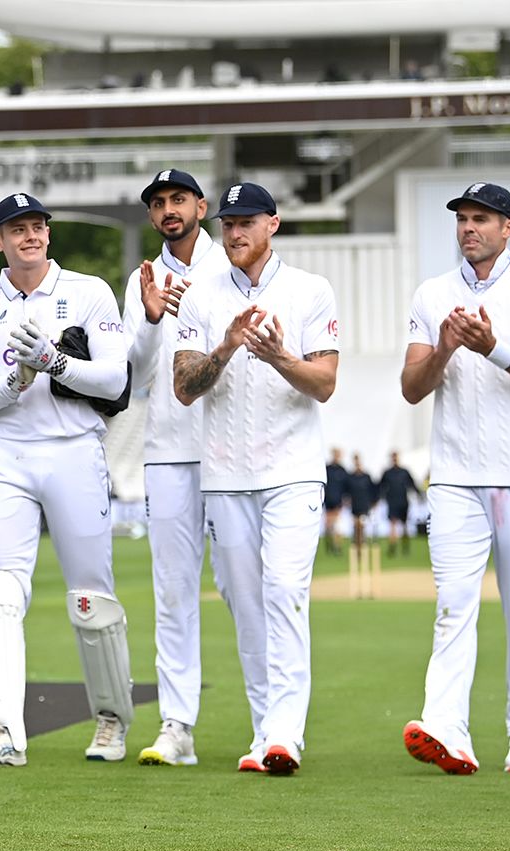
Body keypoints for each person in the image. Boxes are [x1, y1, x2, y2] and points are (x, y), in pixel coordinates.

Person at [0, 192, 133, 767]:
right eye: (17, 229)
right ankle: (2, 732)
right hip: (8, 453)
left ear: (48, 234)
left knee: (91, 598)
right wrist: (16, 379)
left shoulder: (88, 292)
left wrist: (57, 364)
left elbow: (113, 380)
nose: (30, 235)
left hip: (75, 451)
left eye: (37, 226)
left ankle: (111, 721)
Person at [400, 182, 510, 776]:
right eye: (463, 219)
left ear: (508, 228)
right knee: (453, 604)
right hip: (454, 477)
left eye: (482, 219)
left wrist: (494, 348)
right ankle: (448, 730)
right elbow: (412, 388)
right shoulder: (433, 293)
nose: (469, 228)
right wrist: (446, 348)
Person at [171, 181, 340, 775]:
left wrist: (278, 357)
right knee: (246, 605)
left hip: (292, 469)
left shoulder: (310, 290)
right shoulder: (201, 295)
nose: (234, 232)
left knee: (285, 593)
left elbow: (324, 384)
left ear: (273, 224)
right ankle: (264, 728)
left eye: (246, 221)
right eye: (227, 223)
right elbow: (183, 389)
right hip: (225, 472)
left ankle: (284, 735)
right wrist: (225, 346)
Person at [120, 169, 230, 768]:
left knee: (246, 589)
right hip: (166, 447)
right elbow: (130, 375)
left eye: (178, 200)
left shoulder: (229, 264)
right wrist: (152, 318)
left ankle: (274, 723)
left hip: (231, 449)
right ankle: (177, 725)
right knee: (173, 591)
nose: (169, 210)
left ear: (200, 206)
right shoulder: (142, 280)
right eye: (159, 203)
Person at [378, 451, 421, 556]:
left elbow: (412, 484)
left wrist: (419, 494)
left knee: (404, 525)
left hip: (403, 502)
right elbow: (381, 487)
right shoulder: (387, 473)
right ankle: (392, 547)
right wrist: (377, 498)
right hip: (392, 502)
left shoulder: (404, 472)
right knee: (392, 525)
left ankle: (405, 546)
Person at [347, 454, 377, 554]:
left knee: (362, 524)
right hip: (354, 505)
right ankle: (356, 542)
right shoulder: (350, 477)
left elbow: (373, 490)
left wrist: (373, 502)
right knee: (356, 525)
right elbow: (347, 492)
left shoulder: (367, 476)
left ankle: (362, 542)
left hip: (365, 505)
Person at [323, 449, 349, 555]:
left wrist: (346, 499)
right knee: (328, 525)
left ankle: (337, 546)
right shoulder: (327, 469)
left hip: (338, 502)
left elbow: (346, 487)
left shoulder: (342, 470)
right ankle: (329, 544)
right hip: (328, 500)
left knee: (337, 525)